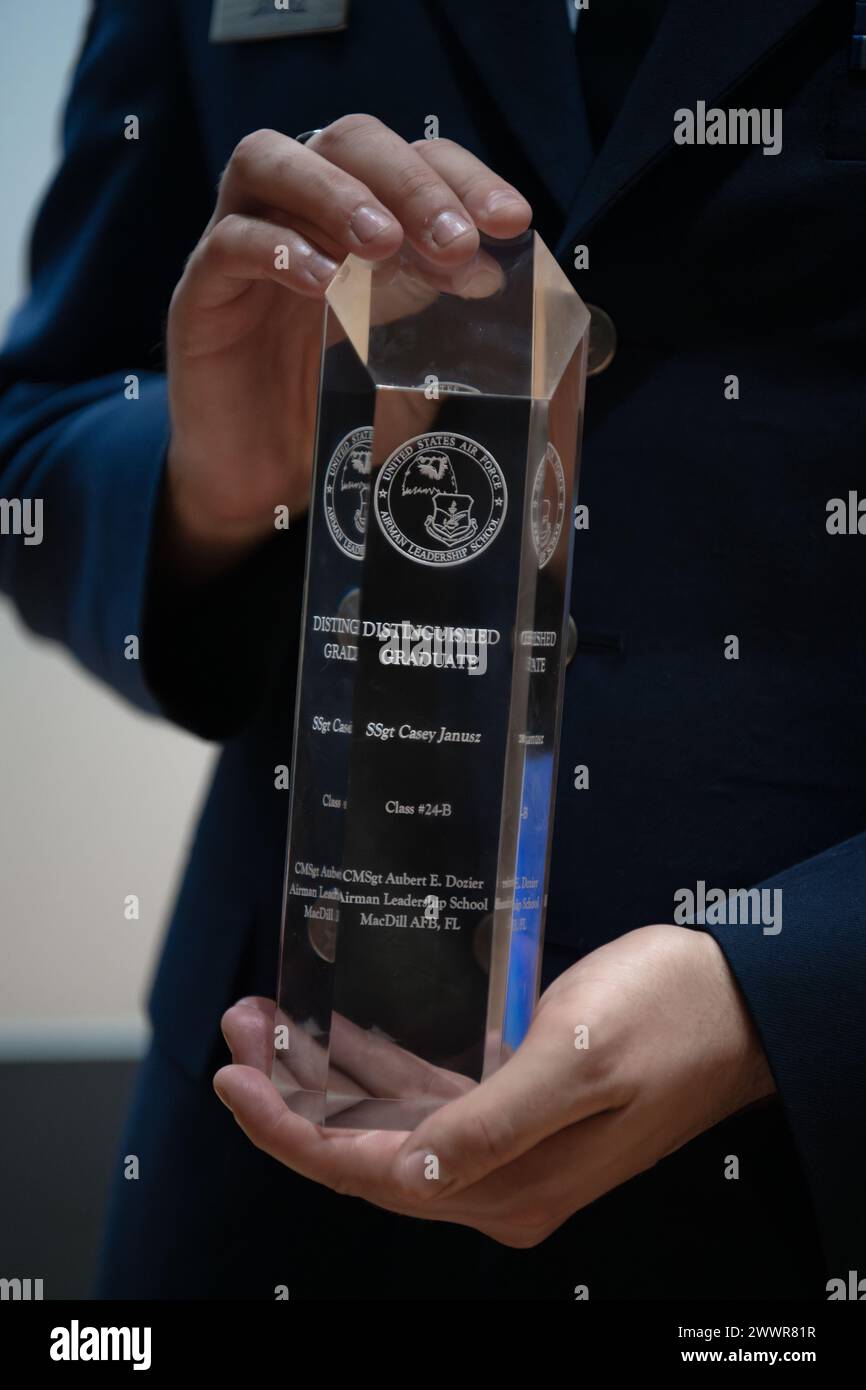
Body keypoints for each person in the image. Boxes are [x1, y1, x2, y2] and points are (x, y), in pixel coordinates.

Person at [1, 0, 863, 1300]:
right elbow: (41, 435)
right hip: (277, 1143)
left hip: (809, 1166)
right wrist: (207, 475)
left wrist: (793, 984)